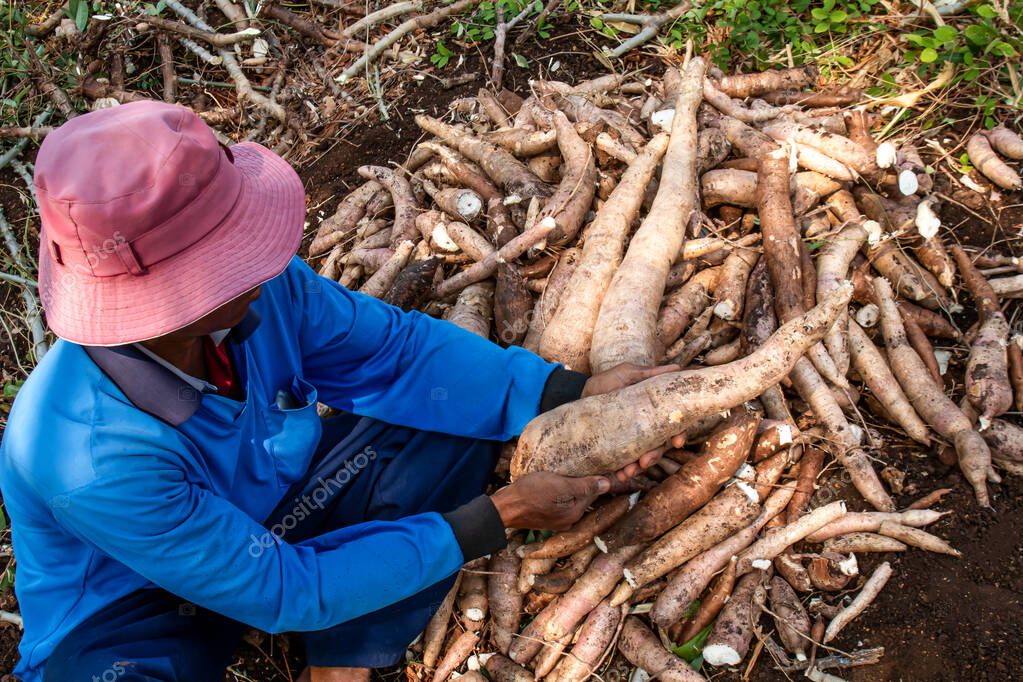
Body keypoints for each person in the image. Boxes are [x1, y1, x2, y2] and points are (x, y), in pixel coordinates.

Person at [0, 101, 677, 681]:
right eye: (229, 251)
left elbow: (394, 353)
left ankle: (342, 651)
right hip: (136, 608)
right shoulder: (87, 458)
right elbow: (279, 588)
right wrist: (496, 518)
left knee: (437, 423)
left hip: (272, 523)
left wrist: (567, 393)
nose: (261, 258)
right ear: (171, 297)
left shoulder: (258, 293)